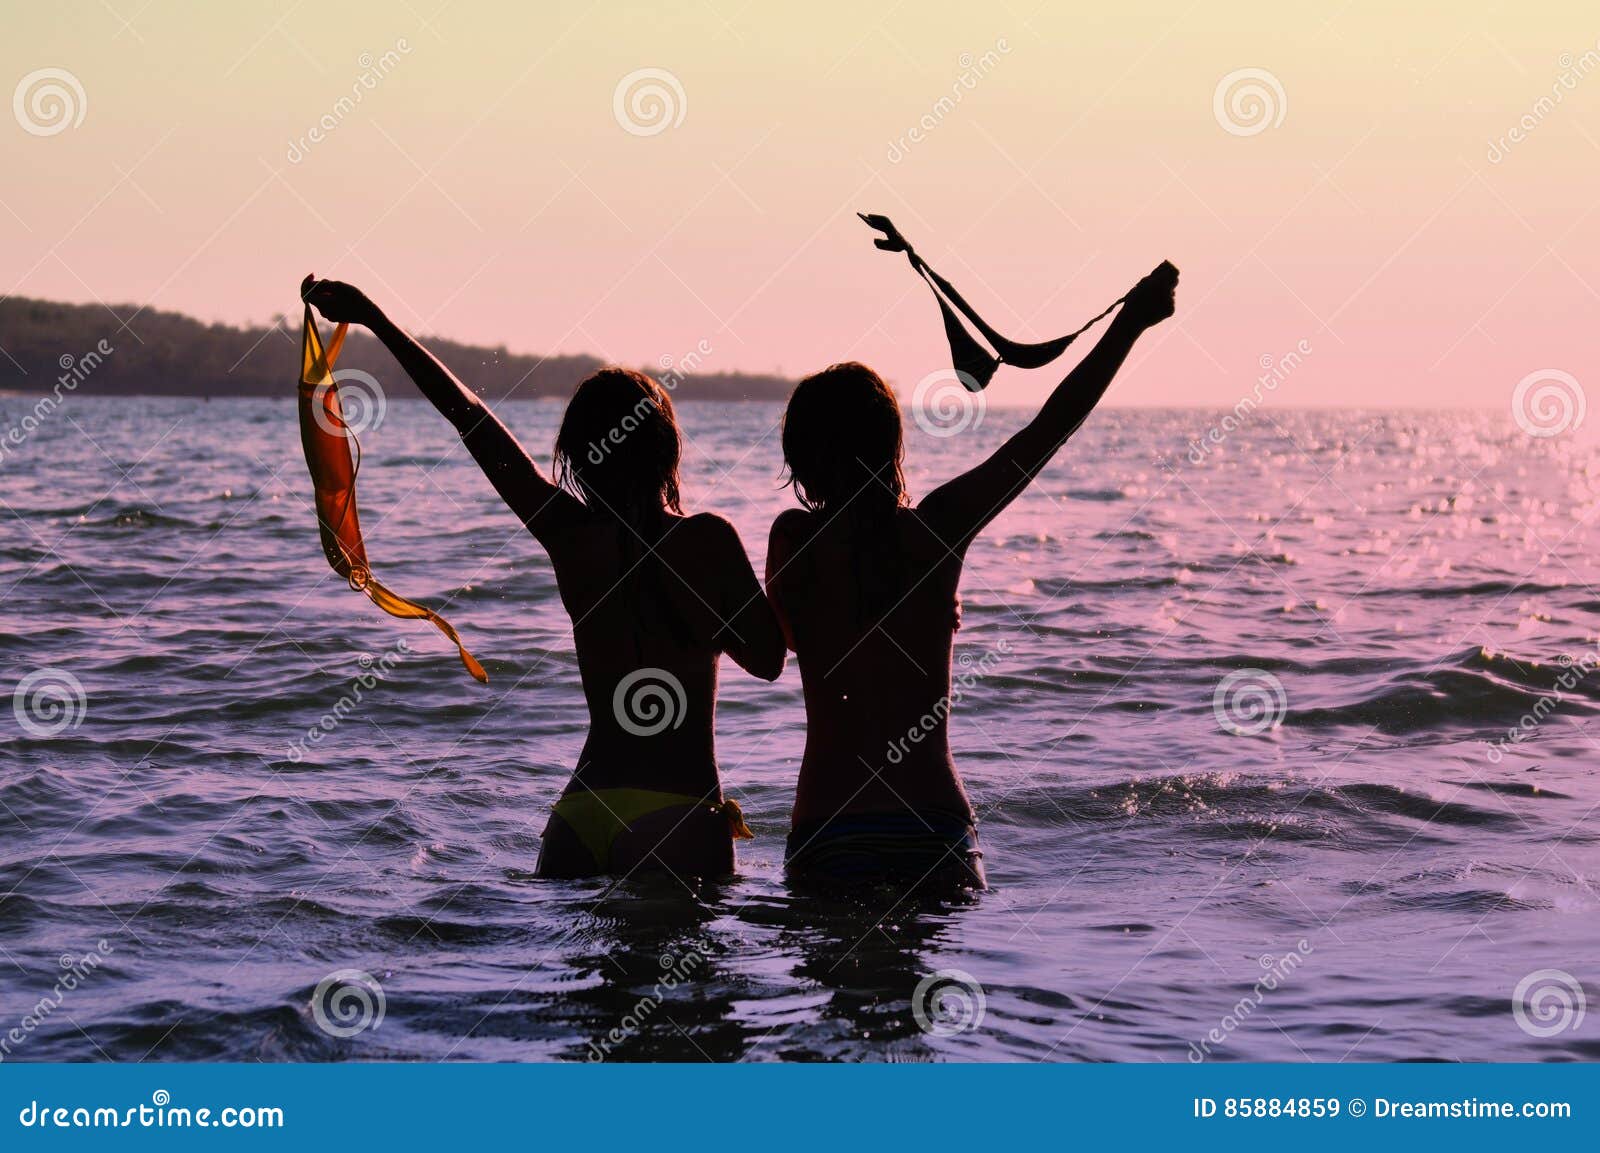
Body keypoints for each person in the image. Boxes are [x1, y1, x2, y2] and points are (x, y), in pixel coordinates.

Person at [301, 276, 785, 880]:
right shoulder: (707, 539)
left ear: (578, 457)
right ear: (667, 451)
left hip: (580, 816)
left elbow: (468, 418)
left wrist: (373, 317)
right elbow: (767, 661)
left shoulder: (569, 534)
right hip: (676, 813)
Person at [766, 262, 1179, 889]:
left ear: (800, 456)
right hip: (934, 830)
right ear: (891, 445)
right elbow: (1047, 431)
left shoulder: (793, 539)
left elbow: (784, 644)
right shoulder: (936, 530)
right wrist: (1130, 325)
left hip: (831, 827)